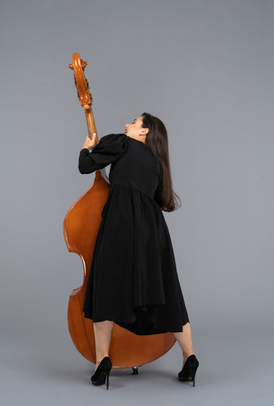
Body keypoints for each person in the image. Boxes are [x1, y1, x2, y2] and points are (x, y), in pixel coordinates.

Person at [78, 112, 199, 388]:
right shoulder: (158, 165)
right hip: (153, 231)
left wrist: (88, 146)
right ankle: (189, 356)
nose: (126, 125)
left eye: (133, 122)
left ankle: (101, 362)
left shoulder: (121, 143)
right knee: (168, 291)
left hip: (120, 224)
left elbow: (86, 166)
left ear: (143, 132)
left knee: (106, 290)